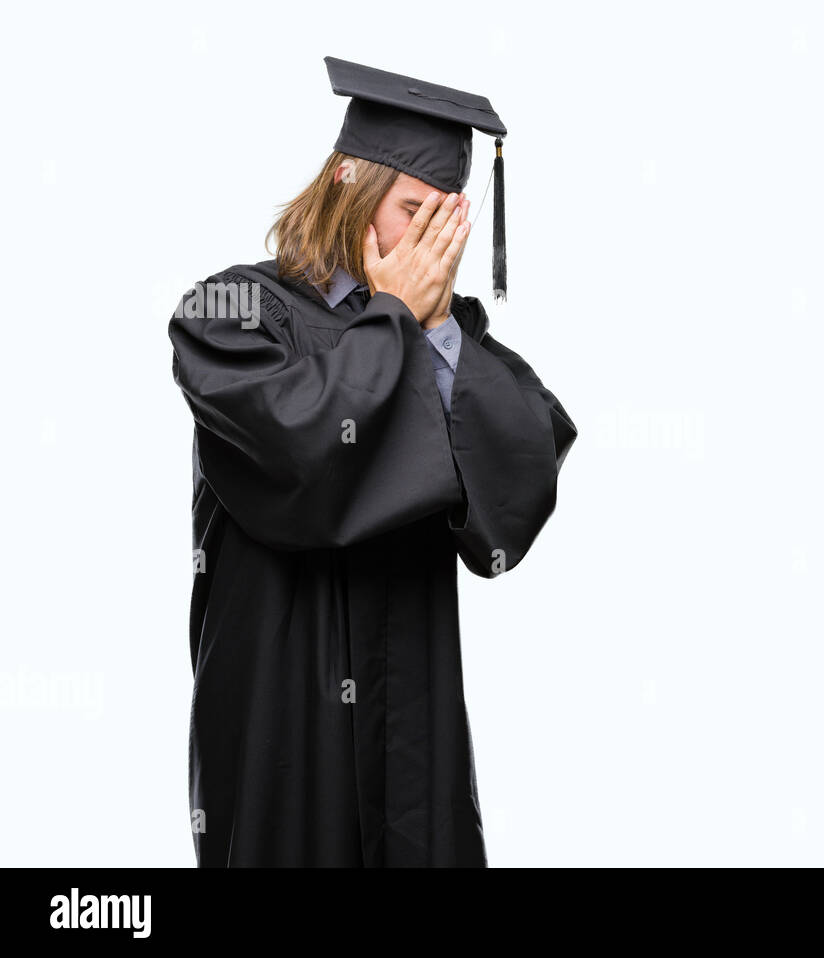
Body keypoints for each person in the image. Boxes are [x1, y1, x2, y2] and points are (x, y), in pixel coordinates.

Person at [167, 57, 577, 867]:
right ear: (353, 196)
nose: (437, 241)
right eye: (415, 212)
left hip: (414, 724)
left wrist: (431, 333)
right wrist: (390, 320)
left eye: (450, 219)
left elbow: (523, 468)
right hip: (281, 718)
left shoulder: (446, 337)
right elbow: (300, 452)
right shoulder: (232, 313)